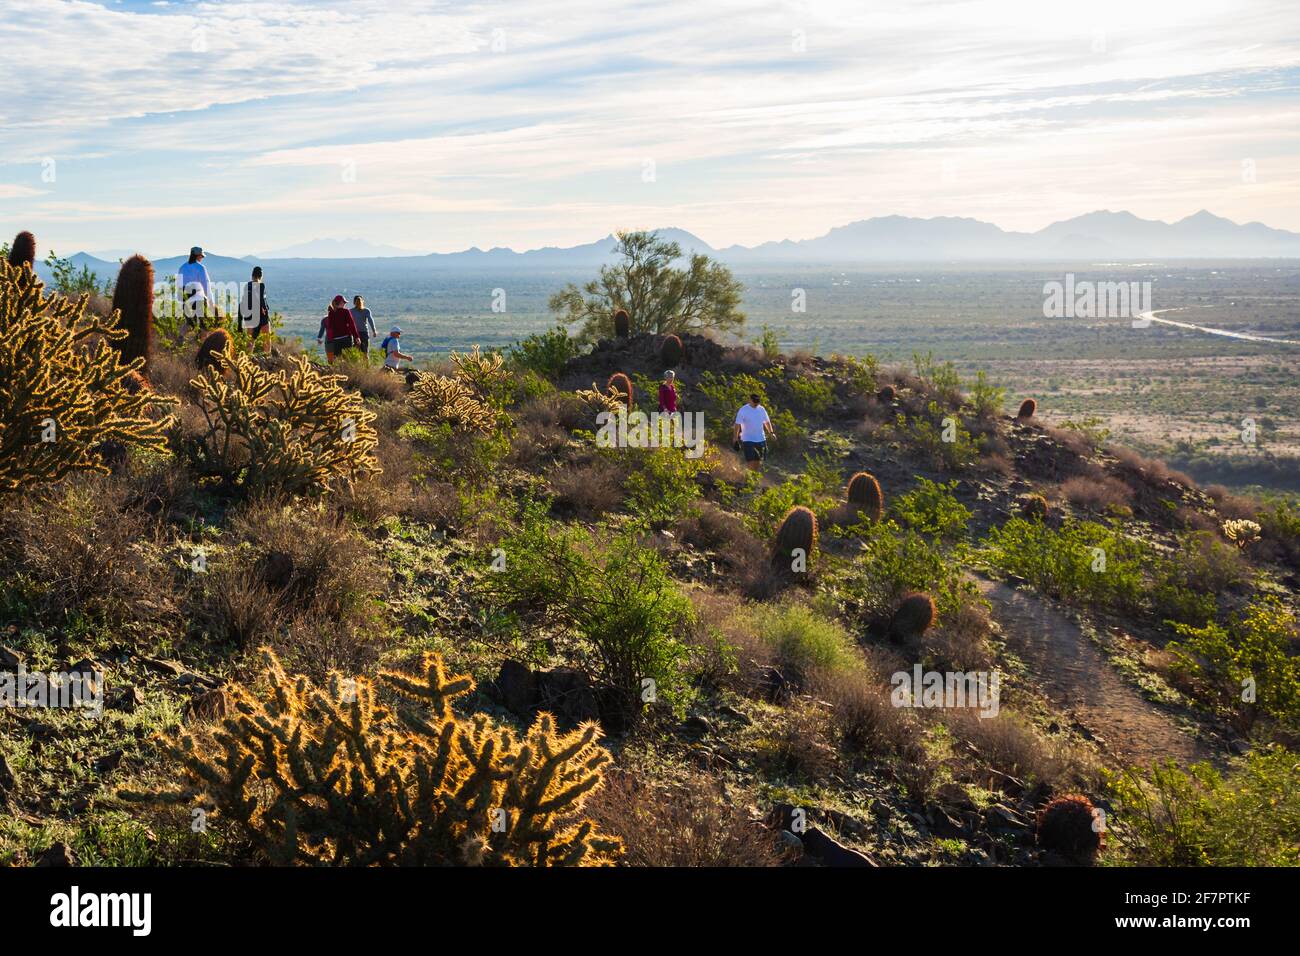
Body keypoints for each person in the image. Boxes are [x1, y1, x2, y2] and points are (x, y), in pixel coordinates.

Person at [178, 246, 218, 334]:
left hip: (185, 299)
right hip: (198, 298)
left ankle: (180, 337)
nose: (202, 258)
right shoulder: (201, 268)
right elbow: (206, 285)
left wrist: (181, 302)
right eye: (201, 256)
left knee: (190, 323)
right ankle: (202, 344)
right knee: (204, 325)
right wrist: (211, 302)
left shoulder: (182, 268)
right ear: (198, 256)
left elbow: (179, 286)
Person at [733, 393, 775, 470]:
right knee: (751, 460)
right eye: (754, 401)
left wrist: (771, 432)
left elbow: (766, 422)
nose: (756, 403)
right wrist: (735, 439)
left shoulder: (761, 409)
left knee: (759, 460)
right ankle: (749, 478)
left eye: (757, 402)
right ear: (750, 400)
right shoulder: (743, 410)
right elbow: (737, 424)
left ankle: (755, 477)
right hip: (748, 439)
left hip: (761, 439)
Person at [321, 294, 360, 365]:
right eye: (344, 302)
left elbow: (330, 327)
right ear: (340, 302)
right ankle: (347, 373)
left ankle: (338, 374)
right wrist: (356, 337)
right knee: (348, 359)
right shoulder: (346, 311)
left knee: (337, 360)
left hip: (336, 340)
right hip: (346, 339)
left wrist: (330, 339)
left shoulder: (331, 313)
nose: (345, 304)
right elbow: (352, 325)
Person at [240, 266, 271, 354]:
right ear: (261, 276)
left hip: (250, 315)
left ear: (252, 275)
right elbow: (262, 300)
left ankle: (247, 359)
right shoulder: (261, 285)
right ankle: (267, 357)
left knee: (250, 340)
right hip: (261, 315)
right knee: (266, 338)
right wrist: (265, 310)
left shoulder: (247, 285)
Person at [351, 295, 377, 365]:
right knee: (361, 352)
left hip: (361, 333)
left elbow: (370, 320)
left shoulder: (366, 310)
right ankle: (362, 368)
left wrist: (374, 330)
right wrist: (374, 331)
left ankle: (365, 368)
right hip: (357, 334)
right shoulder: (351, 311)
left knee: (363, 353)